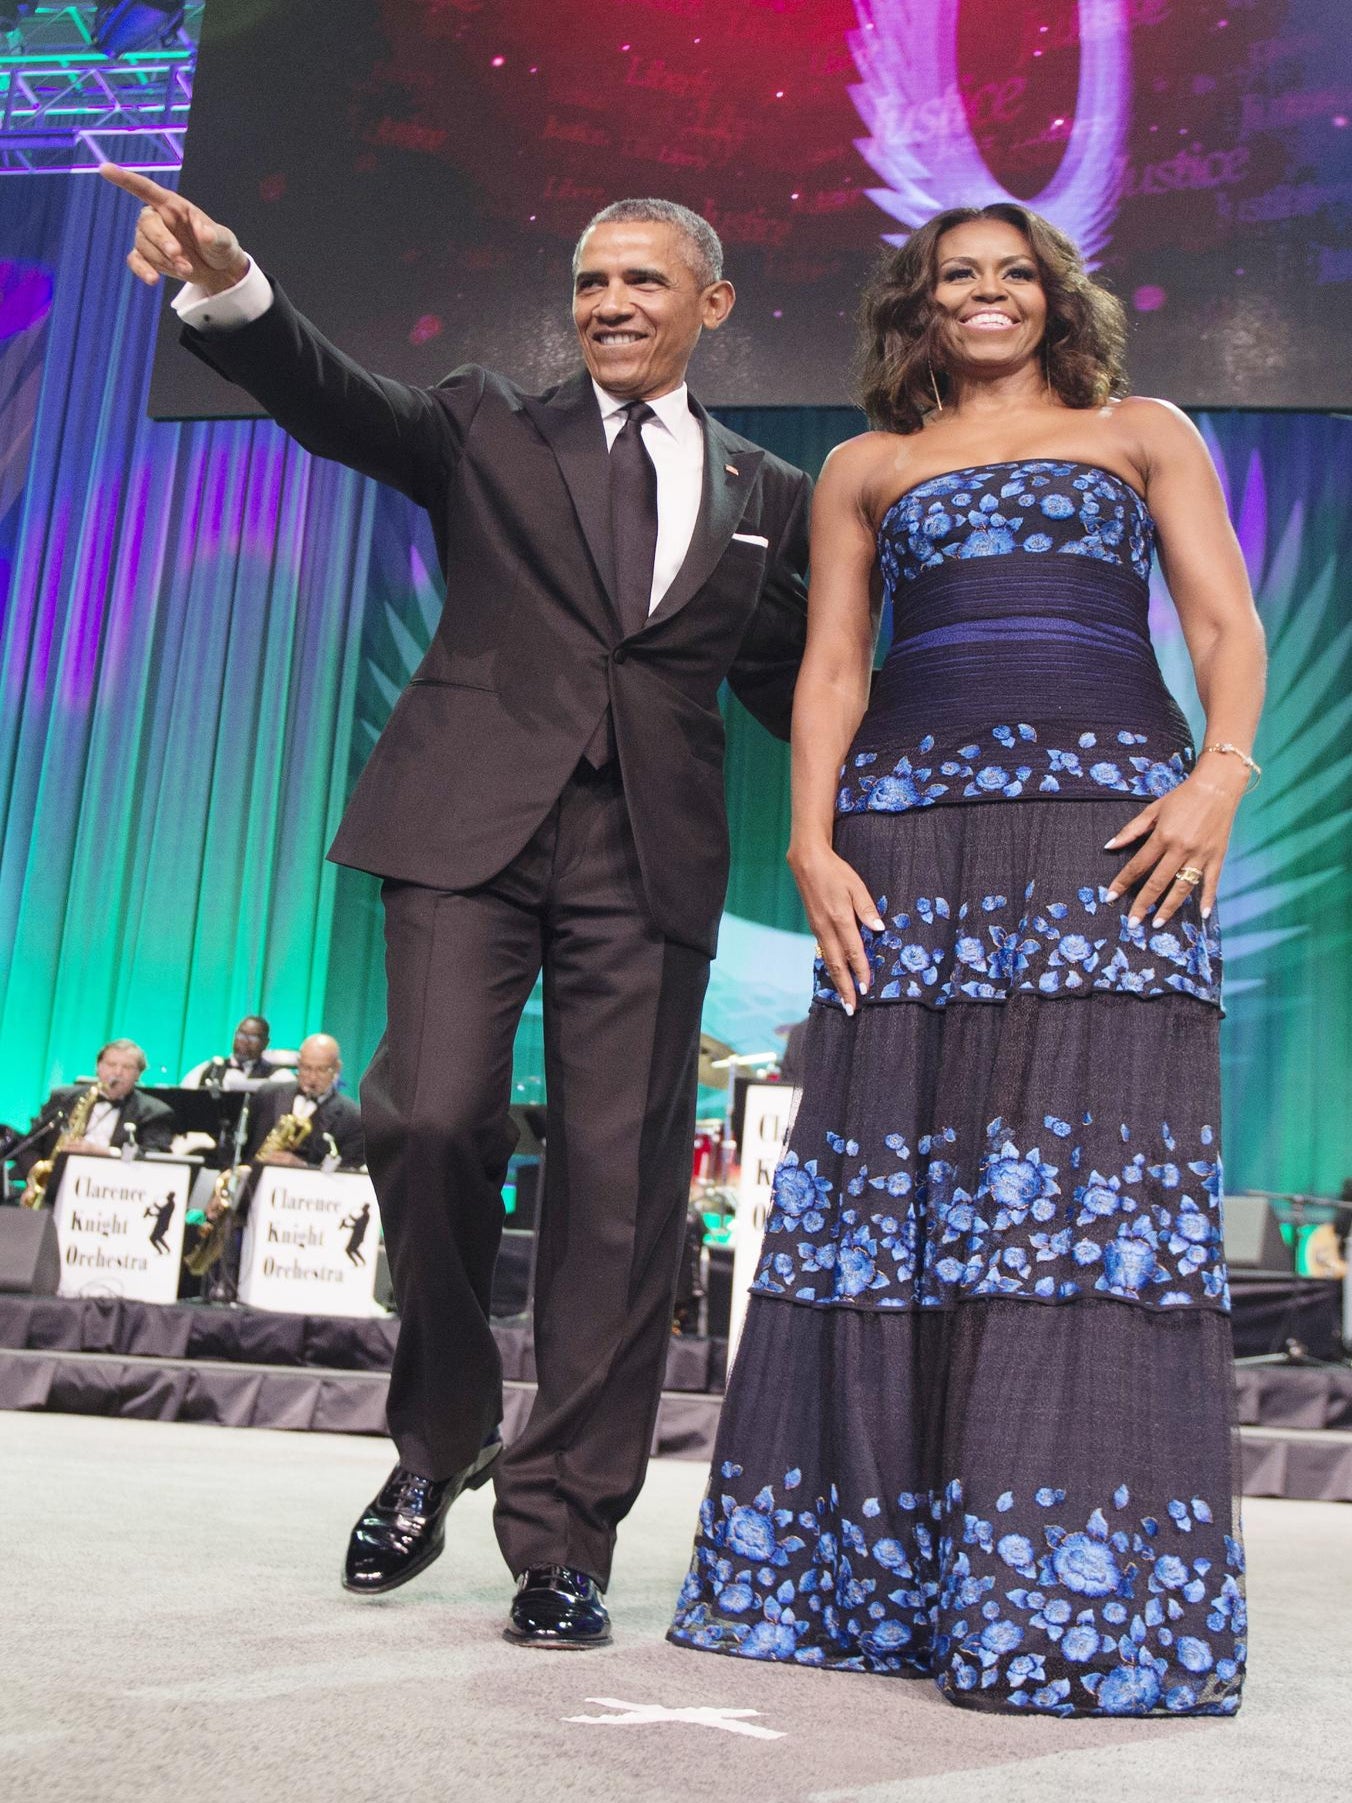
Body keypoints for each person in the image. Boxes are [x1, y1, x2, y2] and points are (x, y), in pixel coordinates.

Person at [103, 166, 810, 1647]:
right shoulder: (491, 417)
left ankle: (565, 1533)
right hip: (465, 826)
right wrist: (233, 283)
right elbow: (335, 395)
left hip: (651, 856)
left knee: (621, 1200)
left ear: (713, 305)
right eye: (591, 283)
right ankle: (439, 1433)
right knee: (423, 1114)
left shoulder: (766, 496)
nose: (609, 305)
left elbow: (798, 679)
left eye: (643, 283)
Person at [669, 204, 1264, 1717]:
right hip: (909, 841)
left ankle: (1071, 1599)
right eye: (959, 276)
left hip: (1112, 831)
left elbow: (1220, 618)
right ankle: (875, 1585)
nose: (988, 293)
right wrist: (808, 842)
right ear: (919, 309)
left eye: (1015, 272)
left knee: (1080, 1202)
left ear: (1054, 299)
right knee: (898, 1192)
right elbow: (833, 666)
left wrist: (1218, 774)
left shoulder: (1145, 427)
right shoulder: (868, 468)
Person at [17, 1038, 177, 1181]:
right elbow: (30, 1145)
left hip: (116, 1188)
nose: (117, 1072)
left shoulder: (155, 1112)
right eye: (111, 1064)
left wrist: (104, 1152)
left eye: (127, 1067)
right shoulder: (62, 1098)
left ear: (138, 1074)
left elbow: (155, 1159)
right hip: (56, 1185)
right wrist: (36, 1181)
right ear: (98, 1067)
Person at [242, 1034, 365, 1171]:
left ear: (337, 1068)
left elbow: (348, 1174)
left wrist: (304, 1168)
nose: (312, 1077)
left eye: (321, 1070)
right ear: (298, 1064)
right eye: (306, 1068)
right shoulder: (267, 1094)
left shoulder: (353, 1118)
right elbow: (245, 1149)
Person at [181, 1015, 294, 1090]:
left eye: (253, 1037)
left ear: (266, 1042)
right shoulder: (206, 1070)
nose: (244, 1041)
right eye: (240, 1035)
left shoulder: (279, 1077)